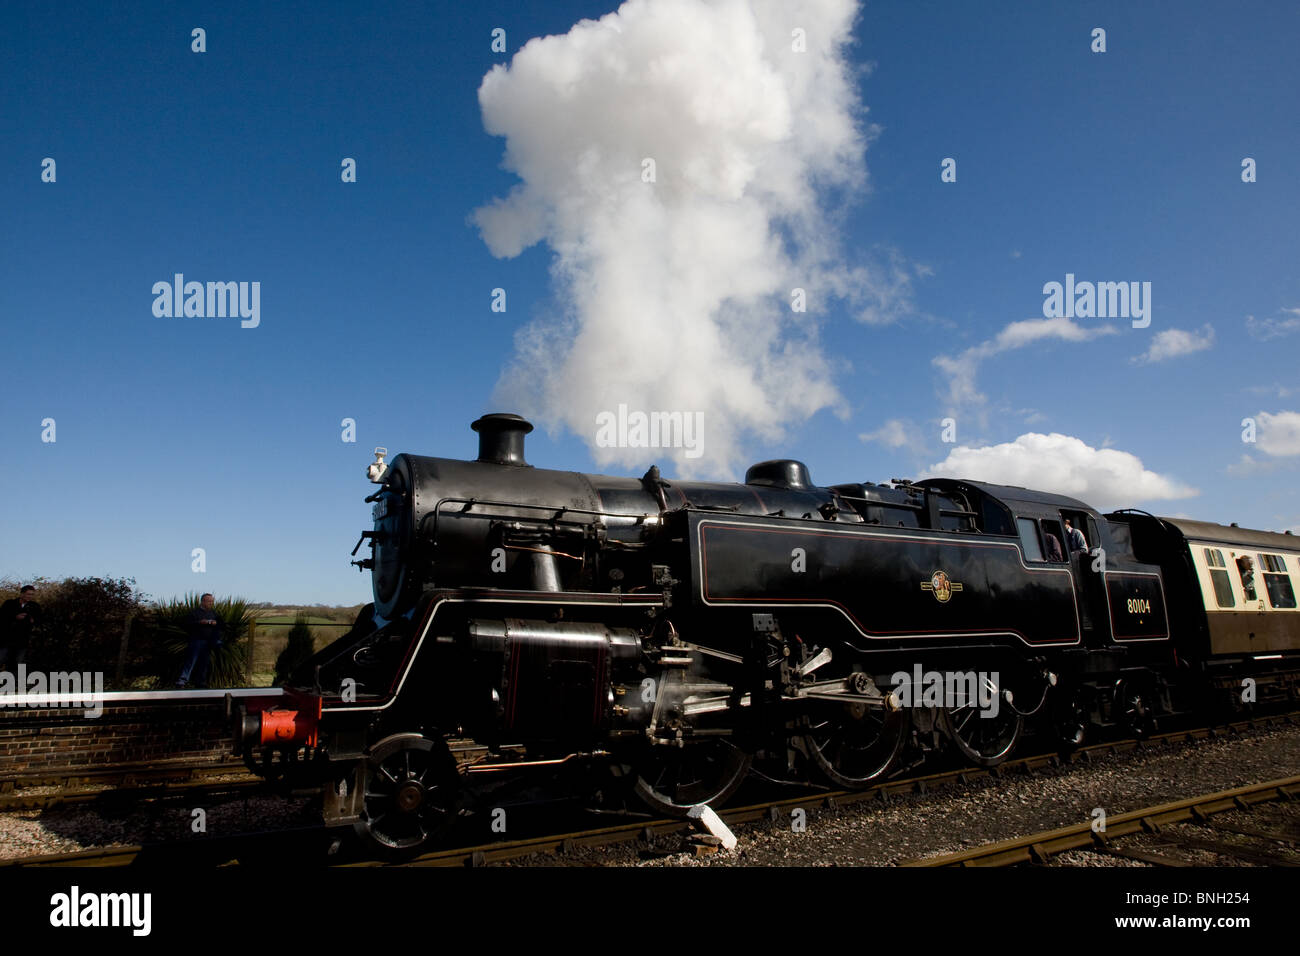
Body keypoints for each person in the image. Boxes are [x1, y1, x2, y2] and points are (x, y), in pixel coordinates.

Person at [177, 593, 223, 688]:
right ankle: (182, 681)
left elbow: (222, 625)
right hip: (196, 640)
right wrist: (200, 622)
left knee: (204, 663)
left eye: (212, 601)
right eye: (209, 601)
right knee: (191, 661)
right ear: (203, 601)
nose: (211, 603)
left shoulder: (214, 614)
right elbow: (186, 624)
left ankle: (200, 682)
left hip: (208, 641)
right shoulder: (194, 613)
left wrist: (215, 623)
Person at [0, 585, 40, 670]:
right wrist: (15, 617)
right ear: (22, 594)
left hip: (22, 639)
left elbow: (39, 619)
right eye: (28, 594)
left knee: (18, 662)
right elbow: (2, 617)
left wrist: (32, 620)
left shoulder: (34, 606)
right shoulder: (9, 603)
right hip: (6, 638)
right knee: (1, 658)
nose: (30, 596)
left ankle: (14, 681)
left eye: (32, 594)